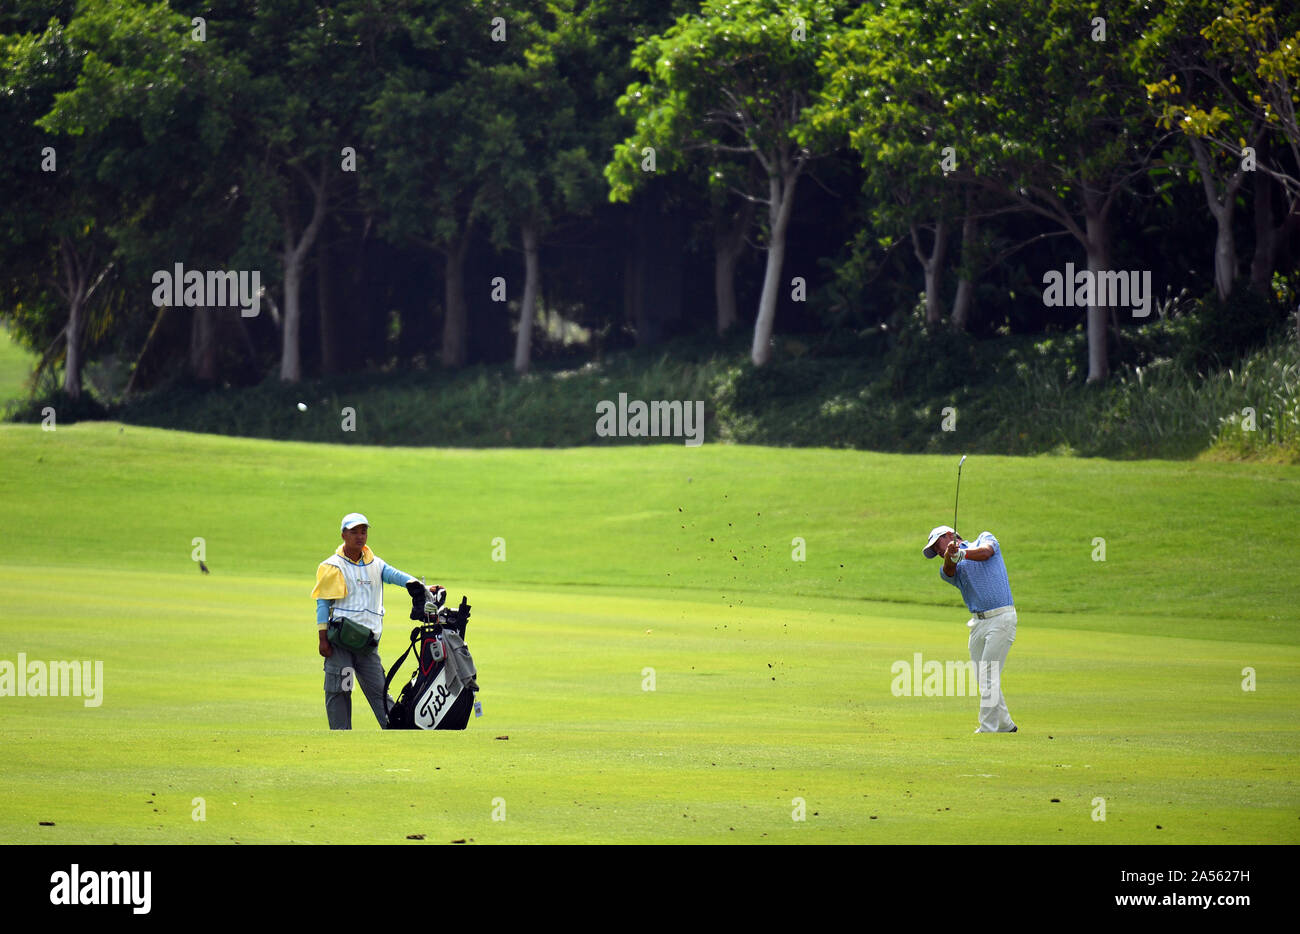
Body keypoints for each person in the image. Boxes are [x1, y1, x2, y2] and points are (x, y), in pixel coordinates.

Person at [311, 512, 441, 730]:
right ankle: (341, 736)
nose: (360, 536)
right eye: (354, 532)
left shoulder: (375, 564)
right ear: (343, 534)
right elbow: (323, 604)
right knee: (341, 688)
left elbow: (398, 577)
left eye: (363, 531)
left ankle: (395, 731)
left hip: (366, 644)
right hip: (340, 643)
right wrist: (322, 638)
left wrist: (421, 587)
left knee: (379, 690)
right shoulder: (332, 566)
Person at [922, 525, 1018, 734]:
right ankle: (1005, 724)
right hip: (977, 624)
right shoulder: (949, 569)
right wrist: (951, 556)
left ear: (949, 535)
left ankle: (988, 728)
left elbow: (986, 552)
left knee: (988, 675)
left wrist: (962, 552)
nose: (937, 552)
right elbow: (948, 570)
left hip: (1001, 617)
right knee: (984, 676)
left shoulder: (984, 538)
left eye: (937, 546)